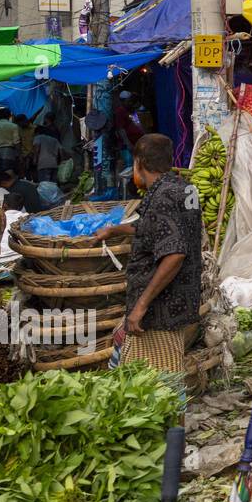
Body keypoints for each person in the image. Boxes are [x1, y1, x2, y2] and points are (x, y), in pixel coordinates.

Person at [95, 134, 203, 376]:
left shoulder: (162, 198)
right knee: (148, 372)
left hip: (161, 309)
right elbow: (158, 230)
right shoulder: (183, 188)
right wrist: (115, 230)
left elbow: (174, 252)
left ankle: (175, 414)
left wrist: (141, 306)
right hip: (180, 301)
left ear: (139, 163)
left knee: (157, 380)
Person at [0, 107, 20, 175]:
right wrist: (18, 154)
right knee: (7, 171)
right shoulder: (13, 126)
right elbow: (16, 142)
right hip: (8, 152)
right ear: (9, 116)